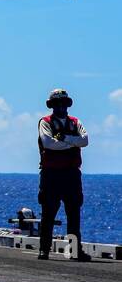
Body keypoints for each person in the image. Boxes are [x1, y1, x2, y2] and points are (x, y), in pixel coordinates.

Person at [38, 89, 90, 261]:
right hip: (51, 175)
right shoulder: (45, 122)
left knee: (74, 214)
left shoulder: (75, 122)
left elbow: (85, 140)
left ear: (68, 104)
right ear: (51, 105)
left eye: (63, 103)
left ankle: (74, 251)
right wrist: (73, 143)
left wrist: (64, 139)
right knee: (48, 214)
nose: (60, 106)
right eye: (57, 103)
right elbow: (48, 143)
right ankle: (44, 250)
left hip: (71, 175)